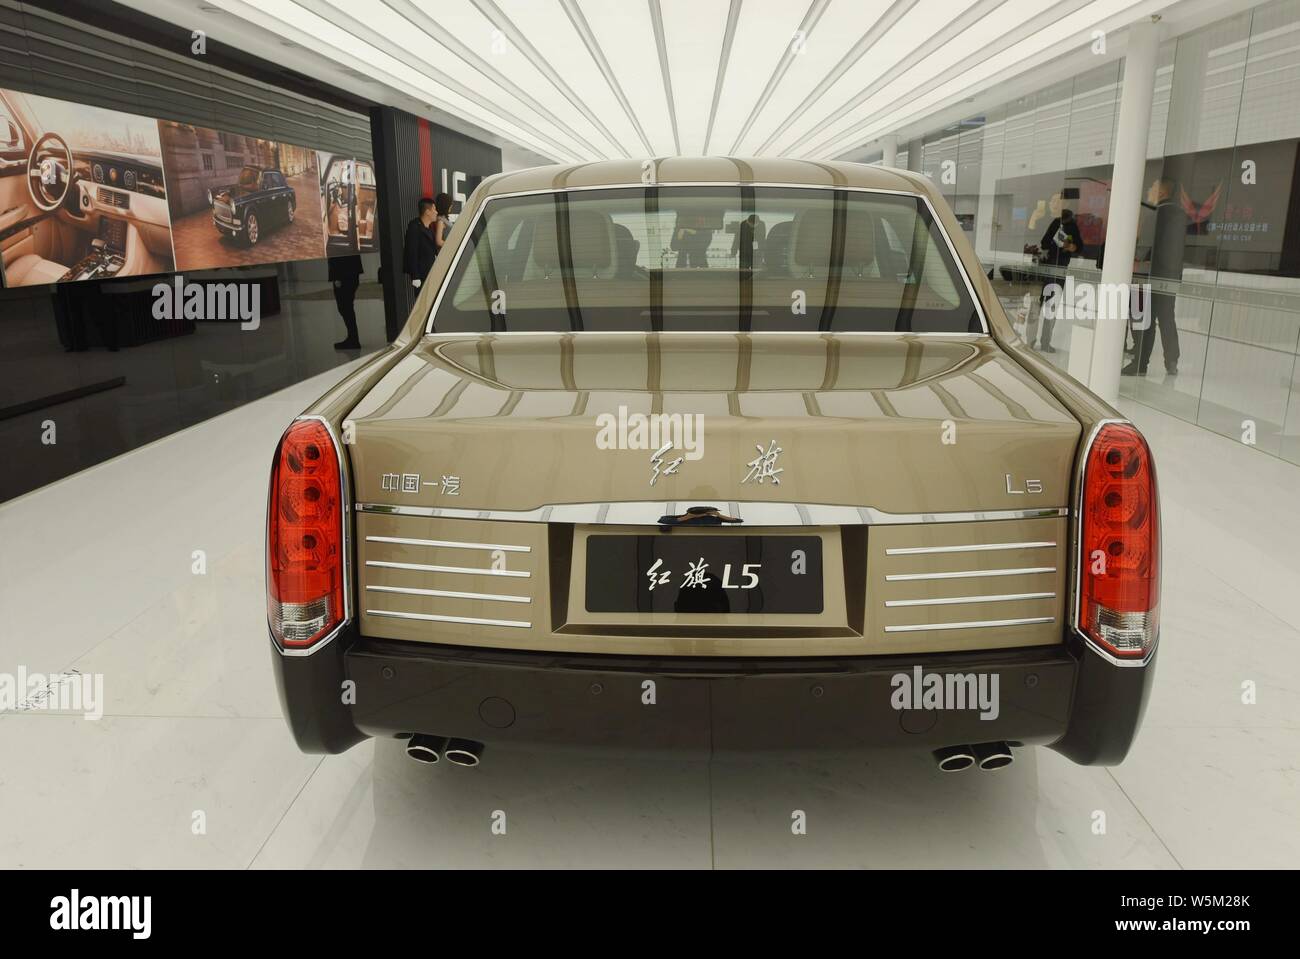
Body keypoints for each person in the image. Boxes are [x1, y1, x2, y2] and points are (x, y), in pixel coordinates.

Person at [1124, 176, 1186, 376]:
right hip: (1169, 278)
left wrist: (1133, 260)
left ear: (1161, 192)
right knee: (1167, 318)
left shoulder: (1156, 214)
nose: (1149, 190)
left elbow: (1142, 250)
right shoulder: (1179, 215)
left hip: (1147, 276)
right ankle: (1172, 361)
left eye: (1152, 187)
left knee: (1142, 319)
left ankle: (1140, 364)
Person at [1034, 207, 1083, 353]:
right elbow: (1044, 242)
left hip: (1057, 270)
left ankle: (1041, 341)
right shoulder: (1057, 223)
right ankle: (1038, 341)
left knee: (1047, 306)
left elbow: (1078, 247)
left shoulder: (1072, 227)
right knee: (1042, 306)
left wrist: (1068, 246)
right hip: (1050, 270)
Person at [403, 197, 438, 293]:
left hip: (430, 271)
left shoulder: (429, 228)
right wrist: (415, 276)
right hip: (421, 273)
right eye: (434, 209)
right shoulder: (414, 227)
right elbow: (411, 252)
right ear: (427, 212)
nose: (436, 212)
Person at [330, 254, 363, 350]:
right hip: (351, 272)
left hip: (344, 274)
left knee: (345, 307)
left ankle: (353, 339)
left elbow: (337, 256)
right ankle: (352, 337)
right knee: (347, 307)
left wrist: (336, 277)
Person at [432, 192, 453, 257]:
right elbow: (438, 241)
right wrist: (452, 245)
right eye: (450, 204)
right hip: (444, 254)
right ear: (445, 205)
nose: (451, 205)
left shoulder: (443, 218)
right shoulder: (440, 220)